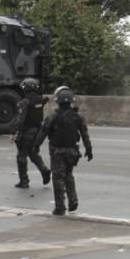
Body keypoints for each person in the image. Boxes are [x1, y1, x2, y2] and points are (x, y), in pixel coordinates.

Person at [32, 85, 92, 216]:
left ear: (57, 100)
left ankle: (60, 207)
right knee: (69, 175)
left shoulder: (53, 117)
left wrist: (36, 146)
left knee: (58, 178)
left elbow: (43, 132)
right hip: (72, 152)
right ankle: (73, 200)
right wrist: (89, 149)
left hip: (57, 152)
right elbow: (84, 135)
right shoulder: (77, 117)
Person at [10, 78, 51, 189]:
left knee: (21, 156)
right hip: (37, 132)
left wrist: (13, 132)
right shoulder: (39, 100)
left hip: (26, 132)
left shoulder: (25, 102)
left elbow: (20, 119)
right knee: (33, 154)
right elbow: (44, 100)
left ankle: (24, 181)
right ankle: (44, 170)